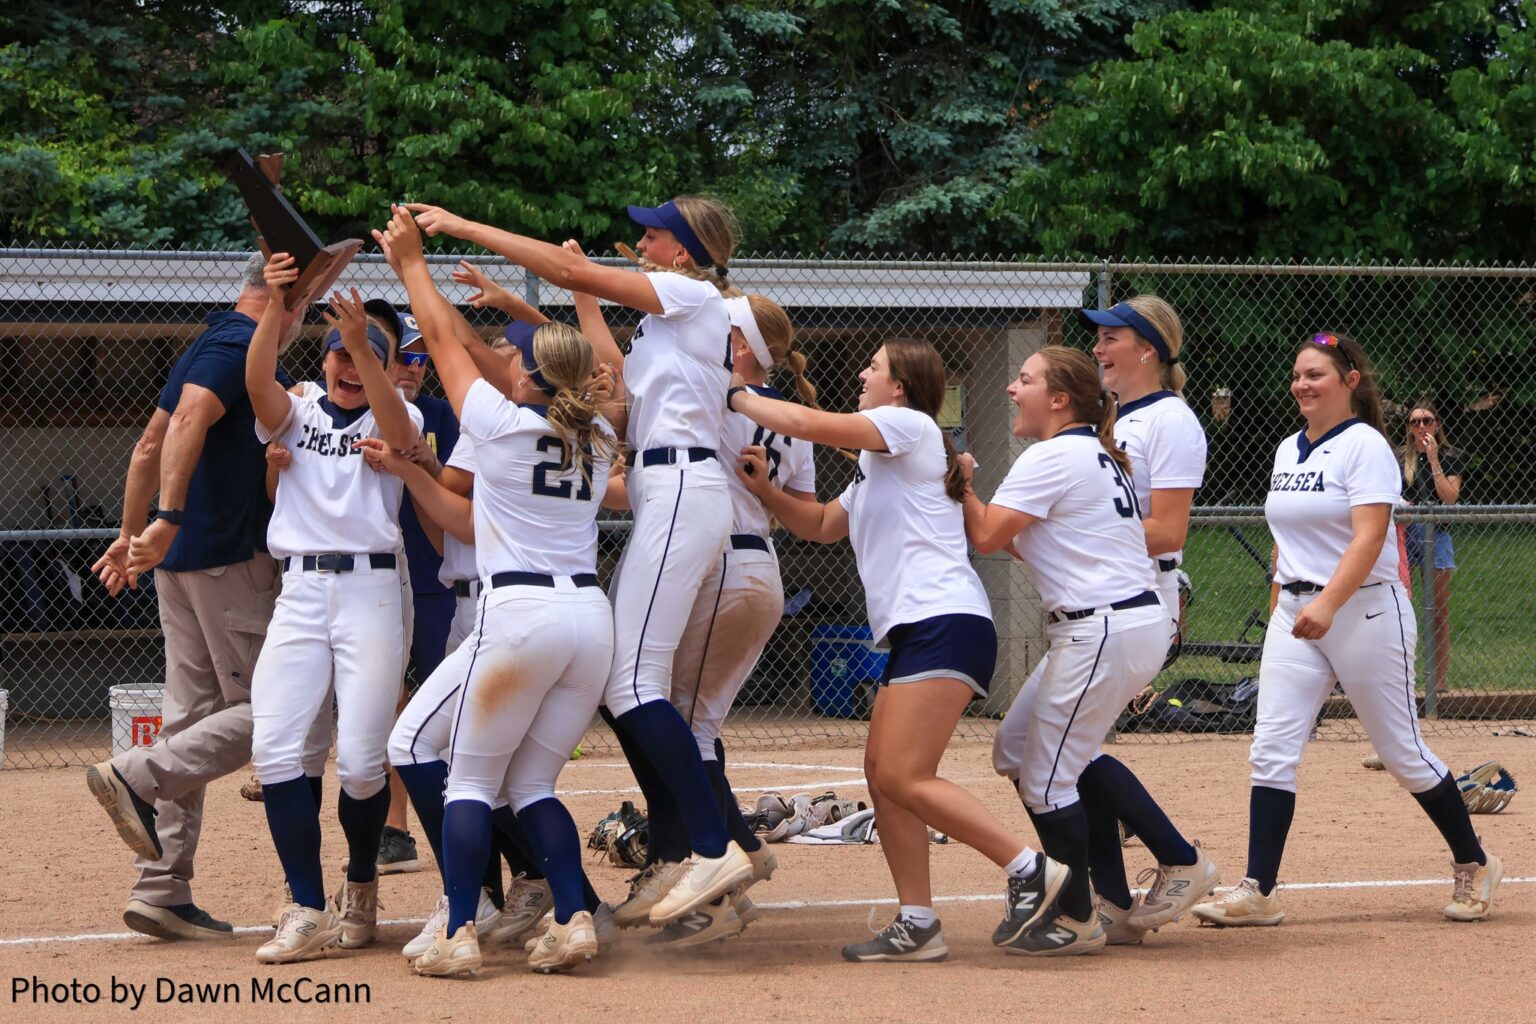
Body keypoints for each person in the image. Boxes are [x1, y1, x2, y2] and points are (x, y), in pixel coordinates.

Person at [405, 196, 755, 927]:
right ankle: (704, 843)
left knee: (632, 682)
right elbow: (605, 377)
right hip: (668, 482)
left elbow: (571, 268)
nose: (642, 241)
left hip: (684, 483)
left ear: (686, 253)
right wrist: (555, 298)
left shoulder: (691, 295)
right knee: (630, 682)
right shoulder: (671, 323)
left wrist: (465, 225)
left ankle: (715, 845)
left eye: (655, 235)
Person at [731, 337, 1067, 963]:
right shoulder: (878, 463)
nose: (862, 374)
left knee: (905, 775)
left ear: (902, 388)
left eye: (875, 368)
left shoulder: (908, 425)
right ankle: (918, 921)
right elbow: (822, 525)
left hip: (945, 621)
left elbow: (805, 422)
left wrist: (730, 390)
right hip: (923, 628)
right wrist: (766, 491)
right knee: (883, 779)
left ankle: (1029, 868)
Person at [373, 206, 620, 975]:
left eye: (518, 360)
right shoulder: (601, 436)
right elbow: (524, 367)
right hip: (588, 618)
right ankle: (575, 916)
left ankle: (458, 931)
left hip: (518, 612)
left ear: (529, 372)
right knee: (532, 781)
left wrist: (411, 263)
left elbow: (444, 340)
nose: (505, 364)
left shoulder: (504, 422)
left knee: (432, 754)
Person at [1192, 333, 1501, 927]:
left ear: (1350, 381)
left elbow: (1368, 537)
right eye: (1298, 375)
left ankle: (1475, 862)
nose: (1302, 384)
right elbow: (1288, 539)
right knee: (1272, 750)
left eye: (1316, 374)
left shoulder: (1366, 447)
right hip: (1297, 614)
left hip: (1364, 612)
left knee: (1401, 752)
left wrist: (1328, 605)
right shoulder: (1288, 449)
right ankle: (1259, 889)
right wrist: (1284, 602)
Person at [85, 253, 307, 941]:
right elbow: (180, 427)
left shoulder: (209, 340)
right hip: (222, 561)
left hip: (183, 565)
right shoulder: (241, 343)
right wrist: (167, 518)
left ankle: (162, 888)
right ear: (280, 301)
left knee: (193, 719)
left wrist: (133, 535)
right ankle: (136, 775)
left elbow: (148, 441)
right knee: (273, 712)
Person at [993, 298, 1218, 948]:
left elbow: (1169, 529)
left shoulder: (1169, 421)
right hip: (1098, 601)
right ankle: (1112, 898)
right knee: (1061, 750)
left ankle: (1171, 860)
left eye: (1113, 336)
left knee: (1060, 757)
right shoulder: (1112, 425)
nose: (1099, 345)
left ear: (1149, 349)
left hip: (1132, 601)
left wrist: (1079, 526)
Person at [960, 345, 1176, 956]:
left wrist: (958, 481)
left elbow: (984, 534)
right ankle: (1137, 877)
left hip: (1101, 631)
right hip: (1116, 625)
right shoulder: (1096, 452)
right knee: (1019, 752)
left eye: (1024, 380)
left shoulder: (1054, 454)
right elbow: (1034, 546)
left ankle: (1077, 914)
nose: (1010, 388)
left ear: (1060, 400)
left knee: (1047, 781)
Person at [245, 254, 424, 964]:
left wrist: (365, 345)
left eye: (364, 356)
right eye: (337, 354)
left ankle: (360, 878)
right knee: (278, 749)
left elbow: (396, 426)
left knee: (360, 763)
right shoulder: (295, 410)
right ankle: (306, 905)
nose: (347, 365)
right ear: (320, 359)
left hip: (371, 591)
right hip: (301, 590)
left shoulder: (397, 412)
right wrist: (278, 303)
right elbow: (257, 382)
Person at [646, 293, 818, 946]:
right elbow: (799, 508)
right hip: (762, 567)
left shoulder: (712, 386)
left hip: (716, 566)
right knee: (696, 724)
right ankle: (740, 855)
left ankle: (700, 882)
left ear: (741, 345)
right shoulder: (786, 413)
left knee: (672, 725)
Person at [1400, 401, 1462, 695]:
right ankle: (1402, 679)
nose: (1421, 427)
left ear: (1437, 424)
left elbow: (1449, 498)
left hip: (1436, 535)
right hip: (1403, 534)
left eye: (1427, 421)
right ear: (1409, 428)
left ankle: (1438, 683)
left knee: (1438, 611)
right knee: (1399, 608)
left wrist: (1434, 459)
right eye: (1415, 422)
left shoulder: (1450, 457)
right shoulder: (1401, 458)